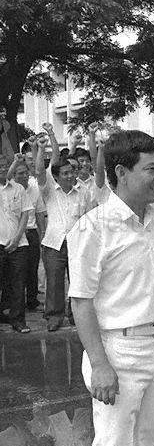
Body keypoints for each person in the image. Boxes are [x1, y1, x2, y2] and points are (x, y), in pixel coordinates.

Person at [67, 130, 154, 446]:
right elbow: (81, 301)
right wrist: (100, 364)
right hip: (120, 352)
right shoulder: (93, 228)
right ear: (121, 173)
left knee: (146, 444)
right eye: (150, 169)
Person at [35, 125, 91, 331]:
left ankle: (75, 314)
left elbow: (88, 218)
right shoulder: (49, 190)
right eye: (65, 173)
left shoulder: (83, 192)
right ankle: (54, 316)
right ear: (56, 176)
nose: (70, 175)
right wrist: (42, 147)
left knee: (77, 282)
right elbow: (39, 171)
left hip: (78, 243)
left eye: (72, 172)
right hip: (54, 243)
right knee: (55, 282)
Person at [6, 153, 46, 312]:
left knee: (32, 269)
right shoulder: (9, 189)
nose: (24, 175)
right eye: (20, 173)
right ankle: (13, 303)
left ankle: (32, 300)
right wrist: (15, 162)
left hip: (31, 233)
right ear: (14, 176)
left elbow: (39, 212)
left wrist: (42, 232)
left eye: (26, 172)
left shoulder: (35, 189)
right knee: (15, 272)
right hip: (15, 235)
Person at [0, 155, 33, 333]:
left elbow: (25, 214)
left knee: (18, 284)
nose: (3, 169)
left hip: (19, 244)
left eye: (5, 165)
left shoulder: (18, 189)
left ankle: (18, 319)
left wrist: (17, 238)